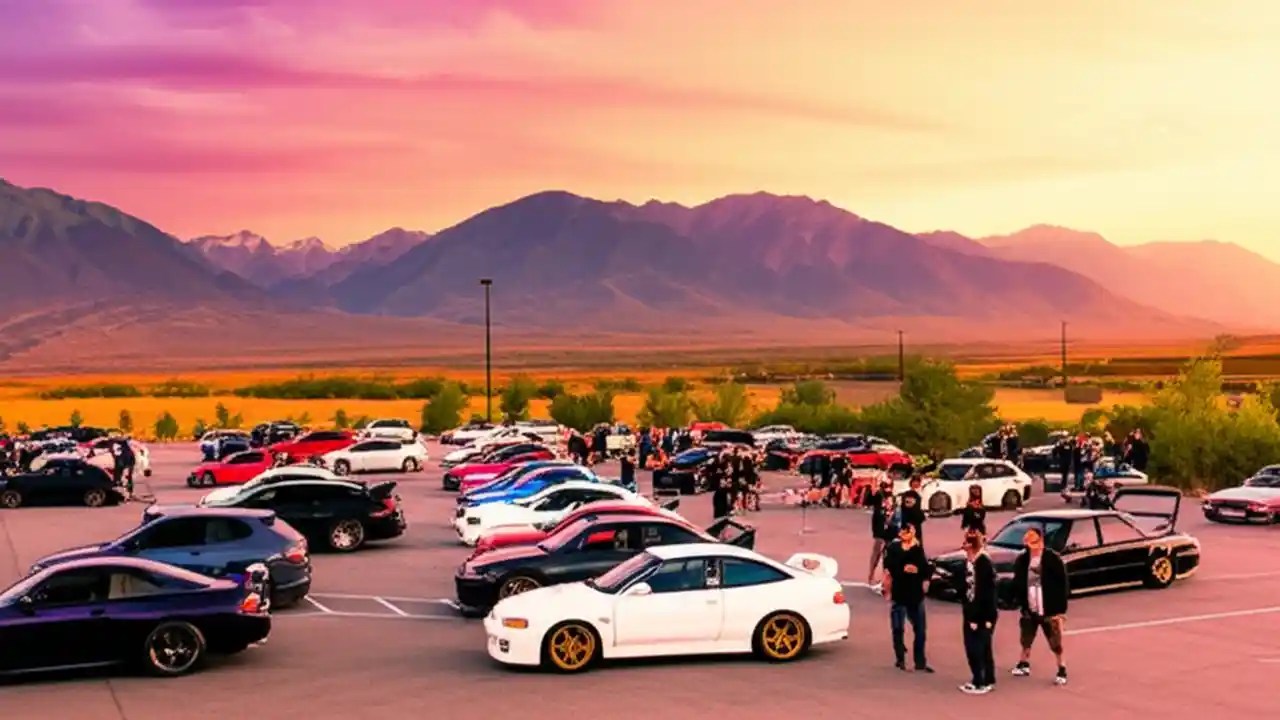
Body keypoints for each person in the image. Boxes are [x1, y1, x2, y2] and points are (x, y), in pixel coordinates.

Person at [1010, 526, 1069, 686]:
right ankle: (1023, 663)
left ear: (1041, 541)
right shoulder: (1022, 560)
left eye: (1035, 542)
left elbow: (1062, 585)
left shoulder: (1052, 559)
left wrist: (1061, 611)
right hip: (1030, 606)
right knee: (1026, 638)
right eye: (1029, 543)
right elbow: (1017, 582)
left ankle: (1061, 669)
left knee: (1055, 641)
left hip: (1049, 608)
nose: (1032, 546)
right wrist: (1019, 601)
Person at [882, 522, 933, 672]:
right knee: (898, 629)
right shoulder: (893, 549)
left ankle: (920, 662)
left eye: (909, 531)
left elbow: (925, 569)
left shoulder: (918, 550)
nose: (906, 534)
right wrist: (901, 572)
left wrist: (919, 571)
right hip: (899, 594)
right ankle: (900, 659)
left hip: (915, 595)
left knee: (920, 629)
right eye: (904, 531)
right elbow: (889, 568)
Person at [958, 529, 998, 694]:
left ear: (971, 545)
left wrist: (979, 618)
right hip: (973, 611)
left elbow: (985, 592)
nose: (963, 545)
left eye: (966, 542)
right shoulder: (970, 562)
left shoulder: (983, 563)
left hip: (980, 614)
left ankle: (979, 681)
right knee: (984, 647)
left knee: (975, 647)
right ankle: (988, 679)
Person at [867, 478, 896, 591]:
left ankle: (886, 577)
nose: (887, 488)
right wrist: (872, 490)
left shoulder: (893, 497)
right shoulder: (878, 495)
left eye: (889, 485)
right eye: (885, 486)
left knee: (888, 551)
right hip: (879, 523)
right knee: (877, 549)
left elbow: (895, 510)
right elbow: (869, 500)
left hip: (890, 526)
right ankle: (871, 574)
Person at [899, 475, 927, 547]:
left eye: (918, 482)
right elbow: (906, 508)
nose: (916, 484)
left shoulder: (919, 493)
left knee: (917, 540)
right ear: (911, 483)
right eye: (915, 482)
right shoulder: (908, 494)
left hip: (916, 521)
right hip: (909, 521)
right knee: (909, 541)